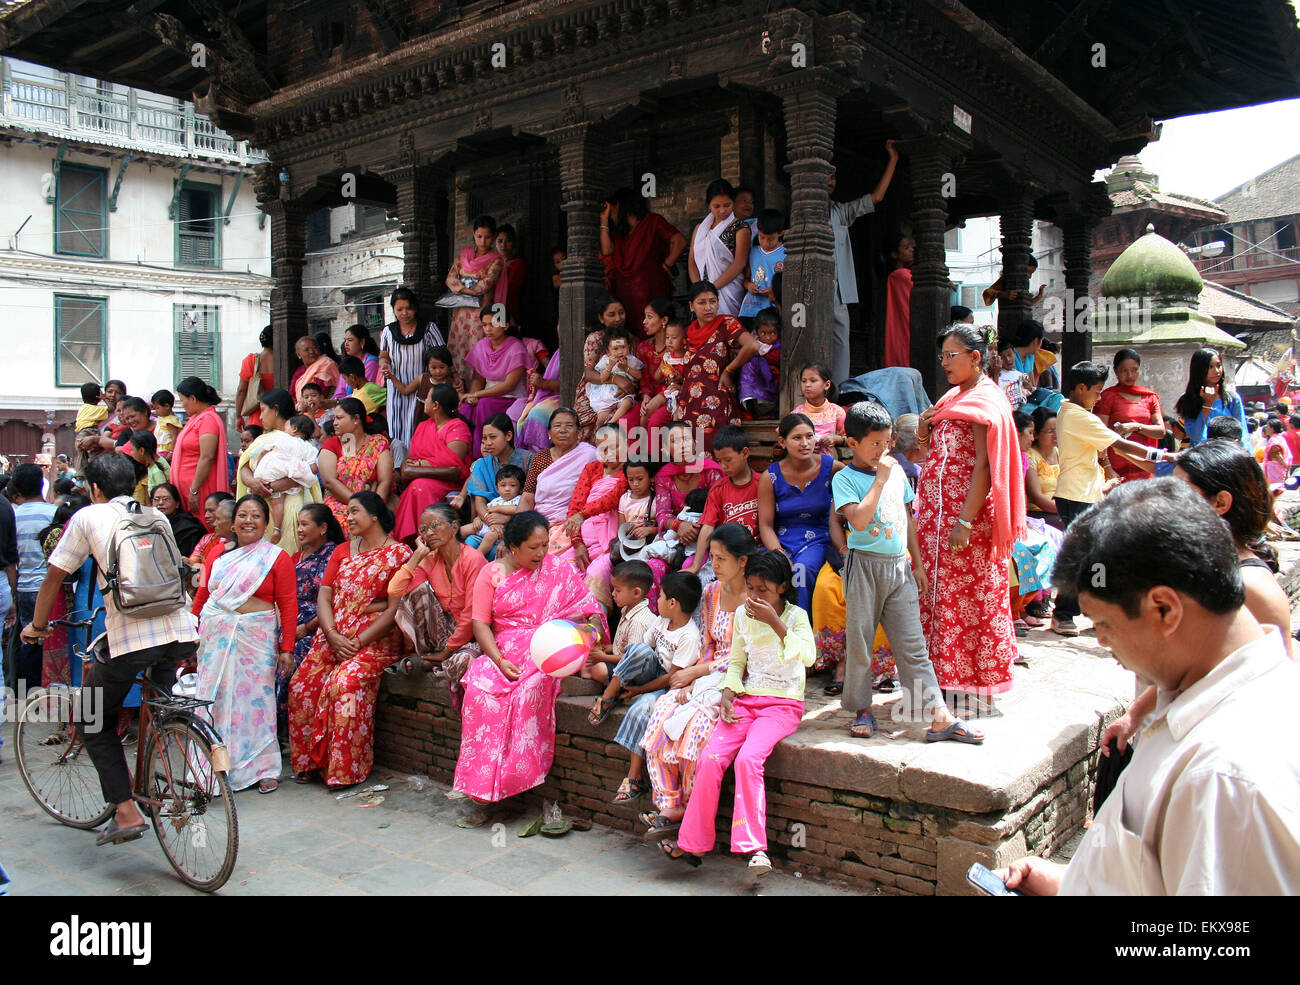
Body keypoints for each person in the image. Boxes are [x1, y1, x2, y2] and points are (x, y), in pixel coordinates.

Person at [999, 479, 1300, 896]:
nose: (1102, 642)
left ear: (1164, 608)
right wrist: (1073, 885)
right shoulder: (1212, 705)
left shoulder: (1225, 780)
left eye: (1104, 625)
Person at [21, 453, 198, 846]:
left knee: (92, 718)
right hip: (182, 630)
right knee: (157, 700)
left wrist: (35, 626)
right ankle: (162, 762)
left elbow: (55, 575)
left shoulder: (88, 517)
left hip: (133, 636)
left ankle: (125, 810)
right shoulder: (157, 516)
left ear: (94, 489)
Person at [834, 401, 984, 741]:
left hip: (898, 567)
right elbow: (857, 520)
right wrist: (879, 479)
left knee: (913, 643)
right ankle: (862, 708)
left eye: (886, 442)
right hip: (864, 567)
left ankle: (939, 714)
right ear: (852, 443)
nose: (882, 450)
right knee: (860, 642)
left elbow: (908, 519)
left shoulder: (897, 471)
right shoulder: (844, 478)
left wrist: (916, 563)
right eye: (874, 443)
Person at [667, 550, 814, 870]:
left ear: (782, 588)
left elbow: (807, 657)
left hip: (782, 703)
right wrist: (728, 694)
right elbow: (737, 664)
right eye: (751, 588)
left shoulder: (795, 617)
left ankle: (755, 848)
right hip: (745, 701)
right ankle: (693, 844)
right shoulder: (744, 616)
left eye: (764, 590)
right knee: (711, 758)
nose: (755, 596)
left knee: (748, 760)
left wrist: (775, 623)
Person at [451, 511, 607, 812]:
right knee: (480, 694)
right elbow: (481, 624)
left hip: (548, 650)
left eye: (545, 545)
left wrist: (589, 635)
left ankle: (514, 784)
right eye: (533, 547)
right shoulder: (492, 574)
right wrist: (497, 660)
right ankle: (481, 787)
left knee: (529, 691)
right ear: (513, 547)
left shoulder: (559, 569)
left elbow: (589, 609)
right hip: (503, 651)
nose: (541, 553)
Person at [914, 324, 1025, 699]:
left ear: (975, 358)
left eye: (951, 355)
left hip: (966, 518)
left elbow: (984, 465)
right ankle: (943, 679)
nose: (944, 363)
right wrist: (925, 427)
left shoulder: (984, 399)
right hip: (934, 518)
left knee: (970, 598)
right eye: (942, 356)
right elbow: (929, 447)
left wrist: (964, 521)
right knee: (939, 596)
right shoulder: (951, 398)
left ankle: (974, 684)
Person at [640, 523, 756, 838]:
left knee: (698, 728)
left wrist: (697, 673)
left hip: (738, 682)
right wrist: (693, 678)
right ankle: (669, 801)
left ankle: (691, 807)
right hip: (705, 675)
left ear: (742, 561)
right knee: (663, 710)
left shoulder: (756, 599)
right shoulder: (711, 592)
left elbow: (747, 656)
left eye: (720, 558)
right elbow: (706, 642)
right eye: (713, 557)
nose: (713, 564)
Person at [289, 491, 410, 787]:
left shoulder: (400, 554)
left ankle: (344, 769)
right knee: (301, 684)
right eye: (348, 512)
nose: (349, 518)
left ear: (374, 516)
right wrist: (331, 634)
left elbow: (396, 608)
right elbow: (325, 596)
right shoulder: (343, 550)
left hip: (374, 640)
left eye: (355, 511)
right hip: (333, 636)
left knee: (344, 684)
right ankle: (309, 762)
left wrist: (357, 641)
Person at [1051, 361, 1173, 637]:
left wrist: (1155, 463)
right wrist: (1163, 457)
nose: (1099, 397)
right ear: (1081, 389)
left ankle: (1092, 610)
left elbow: (1114, 448)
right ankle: (1066, 612)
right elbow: (1122, 444)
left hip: (1084, 492)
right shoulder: (1078, 416)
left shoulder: (1075, 414)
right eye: (1096, 391)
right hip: (1076, 494)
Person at [192, 495, 295, 793]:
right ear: (233, 521)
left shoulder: (277, 557)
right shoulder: (217, 555)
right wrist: (190, 632)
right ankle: (214, 762)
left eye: (256, 516)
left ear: (266, 522)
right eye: (242, 515)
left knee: (257, 702)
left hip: (256, 637)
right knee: (217, 700)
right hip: (216, 634)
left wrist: (286, 648)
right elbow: (203, 596)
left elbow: (288, 606)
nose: (248, 521)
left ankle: (262, 767)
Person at [592, 568, 703, 808]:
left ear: (673, 603)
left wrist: (639, 692)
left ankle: (634, 777)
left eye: (660, 597)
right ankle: (609, 697)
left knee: (642, 710)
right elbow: (639, 651)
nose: (657, 601)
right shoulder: (662, 621)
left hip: (665, 685)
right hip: (648, 671)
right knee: (640, 650)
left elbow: (671, 679)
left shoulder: (690, 637)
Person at [388, 502, 487, 705]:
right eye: (424, 529)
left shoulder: (472, 559)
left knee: (465, 661)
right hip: (442, 634)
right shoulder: (429, 560)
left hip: (471, 634)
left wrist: (448, 650)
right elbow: (395, 591)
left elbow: (472, 613)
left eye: (435, 525)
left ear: (454, 527)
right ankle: (433, 658)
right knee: (415, 592)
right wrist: (416, 556)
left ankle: (432, 662)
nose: (429, 532)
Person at [758, 413, 846, 618]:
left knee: (801, 572)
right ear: (783, 441)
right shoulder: (770, 477)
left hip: (818, 539)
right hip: (781, 541)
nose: (805, 443)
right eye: (797, 438)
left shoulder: (831, 468)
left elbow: (855, 485)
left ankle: (801, 636)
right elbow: (766, 525)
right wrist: (780, 555)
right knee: (764, 574)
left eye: (809, 436)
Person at [829, 142, 899, 379]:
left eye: (833, 176)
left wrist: (893, 159)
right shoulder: (801, 211)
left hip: (838, 288)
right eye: (825, 175)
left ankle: (838, 392)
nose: (830, 180)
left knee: (841, 340)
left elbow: (877, 197)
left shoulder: (839, 211)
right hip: (811, 288)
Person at [277, 503, 343, 727]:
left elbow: (333, 601)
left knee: (293, 658)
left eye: (305, 524)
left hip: (315, 628)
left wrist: (305, 628)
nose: (299, 530)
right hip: (287, 624)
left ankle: (291, 728)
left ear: (323, 528)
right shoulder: (297, 556)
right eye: (298, 524)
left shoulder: (334, 555)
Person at [237, 389, 324, 558]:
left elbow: (303, 475)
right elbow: (244, 466)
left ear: (275, 410)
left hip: (290, 507)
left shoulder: (295, 442)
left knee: (286, 557)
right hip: (263, 505)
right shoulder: (265, 439)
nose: (260, 417)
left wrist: (268, 486)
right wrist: (252, 482)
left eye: (263, 410)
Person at [673, 281, 760, 445]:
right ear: (691, 306)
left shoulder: (726, 323)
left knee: (715, 454)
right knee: (690, 457)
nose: (708, 307)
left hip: (715, 403)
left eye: (713, 301)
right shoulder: (688, 333)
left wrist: (728, 370)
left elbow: (753, 345)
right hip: (688, 404)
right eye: (702, 302)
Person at [599, 188, 687, 331]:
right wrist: (603, 220)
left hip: (651, 290)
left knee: (653, 328)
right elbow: (607, 250)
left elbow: (680, 241)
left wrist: (667, 264)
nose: (611, 214)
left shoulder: (652, 221)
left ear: (622, 206)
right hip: (626, 294)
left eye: (613, 208)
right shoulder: (622, 233)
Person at [391, 384, 470, 542]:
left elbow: (453, 464)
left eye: (427, 398)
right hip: (422, 478)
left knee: (420, 486)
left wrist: (420, 465)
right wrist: (420, 464)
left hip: (449, 482)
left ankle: (430, 537)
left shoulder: (457, 427)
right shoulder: (423, 426)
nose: (424, 401)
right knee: (419, 484)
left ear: (436, 405)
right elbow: (411, 459)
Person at [560, 425, 627, 601]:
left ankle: (595, 623)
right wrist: (577, 543)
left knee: (595, 573)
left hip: (608, 544)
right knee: (562, 569)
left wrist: (582, 515)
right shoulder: (592, 469)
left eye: (615, 446)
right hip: (583, 542)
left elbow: (613, 498)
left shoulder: (630, 470)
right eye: (604, 448)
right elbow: (575, 505)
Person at [379, 287, 446, 459]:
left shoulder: (428, 329)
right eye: (399, 309)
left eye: (408, 308)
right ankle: (397, 468)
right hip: (395, 390)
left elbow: (441, 355)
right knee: (395, 428)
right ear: (393, 310)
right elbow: (384, 355)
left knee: (416, 426)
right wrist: (385, 364)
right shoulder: (388, 331)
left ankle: (414, 465)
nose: (404, 313)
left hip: (422, 391)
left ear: (415, 308)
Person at [452, 413, 533, 555]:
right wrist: (493, 523)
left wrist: (507, 520)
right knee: (469, 544)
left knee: (497, 552)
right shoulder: (481, 465)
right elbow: (480, 503)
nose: (488, 443)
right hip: (488, 523)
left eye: (493, 437)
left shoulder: (528, 460)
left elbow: (531, 501)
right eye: (484, 438)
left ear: (508, 436)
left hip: (520, 522)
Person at [518, 407, 600, 540]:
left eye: (569, 426)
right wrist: (518, 526)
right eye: (557, 426)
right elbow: (527, 498)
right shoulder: (540, 458)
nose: (563, 430)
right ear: (549, 433)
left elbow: (597, 495)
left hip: (572, 523)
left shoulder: (590, 455)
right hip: (539, 522)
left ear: (579, 432)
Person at [9, 464, 57, 689]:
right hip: (51, 587)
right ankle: (51, 690)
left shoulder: (14, 515)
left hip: (24, 587)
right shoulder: (54, 513)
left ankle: (29, 692)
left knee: (28, 640)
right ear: (41, 485)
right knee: (53, 639)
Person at [318, 397, 393, 534]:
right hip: (338, 503)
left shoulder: (378, 443)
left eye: (339, 418)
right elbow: (329, 481)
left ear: (356, 418)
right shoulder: (331, 444)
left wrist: (375, 508)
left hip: (372, 504)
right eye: (334, 419)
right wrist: (357, 506)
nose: (334, 423)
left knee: (380, 526)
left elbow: (385, 481)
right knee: (342, 523)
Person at [460, 308, 531, 451]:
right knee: (466, 408)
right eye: (484, 325)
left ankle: (484, 453)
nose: (487, 329)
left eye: (492, 324)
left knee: (484, 404)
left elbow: (509, 386)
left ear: (505, 325)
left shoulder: (516, 347)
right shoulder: (481, 346)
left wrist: (476, 395)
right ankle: (466, 455)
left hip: (512, 397)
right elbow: (478, 380)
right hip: (486, 396)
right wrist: (471, 397)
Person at [445, 217, 507, 372]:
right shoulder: (463, 256)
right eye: (479, 236)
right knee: (458, 346)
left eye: (487, 237)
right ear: (473, 235)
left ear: (493, 238)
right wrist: (467, 290)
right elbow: (450, 278)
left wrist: (463, 286)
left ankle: (475, 387)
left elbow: (485, 284)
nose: (483, 241)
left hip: (480, 312)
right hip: (460, 312)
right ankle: (458, 386)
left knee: (476, 345)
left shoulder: (496, 260)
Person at [1094, 348, 1164, 482]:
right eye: (1124, 370)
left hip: (1145, 467)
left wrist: (1136, 427)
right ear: (1115, 371)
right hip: (1116, 469)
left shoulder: (1150, 397)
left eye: (1134, 370)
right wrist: (1107, 467)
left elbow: (1161, 431)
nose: (1130, 375)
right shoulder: (1107, 397)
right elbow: (1099, 435)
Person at [248, 414, 318, 544]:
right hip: (289, 474)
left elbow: (264, 451)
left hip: (268, 470)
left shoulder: (281, 437)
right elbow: (314, 468)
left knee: (258, 499)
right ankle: (277, 529)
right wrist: (300, 467)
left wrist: (258, 469)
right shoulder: (309, 447)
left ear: (294, 428)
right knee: (278, 502)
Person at [688, 179, 751, 317]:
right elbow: (692, 262)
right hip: (702, 293)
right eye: (716, 206)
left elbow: (739, 263)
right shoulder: (700, 229)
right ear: (709, 205)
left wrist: (712, 289)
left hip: (729, 291)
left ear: (733, 203)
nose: (722, 210)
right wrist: (700, 290)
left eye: (727, 205)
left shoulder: (740, 228)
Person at [573, 296, 634, 439]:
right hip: (595, 389)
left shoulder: (631, 339)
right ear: (601, 318)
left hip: (622, 393)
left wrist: (629, 385)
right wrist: (615, 379)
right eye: (611, 315)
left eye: (621, 313)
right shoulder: (595, 338)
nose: (618, 318)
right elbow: (589, 373)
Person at [653, 421, 723, 544]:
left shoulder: (710, 471)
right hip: (675, 535)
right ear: (665, 449)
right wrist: (679, 526)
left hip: (711, 532)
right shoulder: (663, 477)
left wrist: (697, 530)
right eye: (675, 441)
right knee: (654, 562)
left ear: (695, 444)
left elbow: (720, 506)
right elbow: (662, 513)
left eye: (686, 439)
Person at [171, 376, 229, 522]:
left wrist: (194, 489)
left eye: (182, 399)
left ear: (192, 398)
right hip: (190, 489)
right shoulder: (196, 418)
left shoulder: (208, 419)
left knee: (202, 525)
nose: (182, 404)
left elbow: (207, 456)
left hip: (200, 488)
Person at [1173, 346, 1248, 448]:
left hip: (1228, 455)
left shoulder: (1231, 399)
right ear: (1199, 370)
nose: (1217, 371)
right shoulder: (1189, 399)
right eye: (1210, 367)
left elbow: (1242, 433)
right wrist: (1207, 405)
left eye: (1219, 365)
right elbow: (1196, 435)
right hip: (1201, 457)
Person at [584, 327, 643, 428]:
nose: (620, 352)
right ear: (608, 350)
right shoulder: (606, 360)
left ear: (629, 346)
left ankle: (611, 423)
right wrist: (610, 366)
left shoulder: (632, 360)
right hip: (607, 393)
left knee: (627, 403)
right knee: (601, 417)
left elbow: (639, 376)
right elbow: (602, 378)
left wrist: (627, 368)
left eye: (623, 347)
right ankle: (598, 434)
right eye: (615, 349)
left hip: (624, 394)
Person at [641, 315, 692, 427]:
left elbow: (691, 380)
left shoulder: (687, 358)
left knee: (676, 420)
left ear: (684, 341)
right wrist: (663, 367)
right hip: (666, 390)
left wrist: (680, 378)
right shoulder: (667, 357)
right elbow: (657, 378)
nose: (669, 341)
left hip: (680, 393)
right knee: (646, 411)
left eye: (674, 338)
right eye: (667, 337)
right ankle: (643, 437)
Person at [463, 464, 524, 557]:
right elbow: (486, 512)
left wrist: (498, 508)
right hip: (488, 525)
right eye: (503, 485)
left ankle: (477, 556)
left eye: (512, 485)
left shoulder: (519, 499)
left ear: (521, 489)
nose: (507, 489)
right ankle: (454, 552)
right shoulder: (496, 500)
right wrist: (477, 519)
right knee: (465, 529)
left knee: (490, 536)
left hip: (502, 530)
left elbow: (517, 509)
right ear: (497, 488)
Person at [188, 496, 236, 612]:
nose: (215, 523)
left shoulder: (253, 553)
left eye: (218, 519)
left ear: (233, 524)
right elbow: (203, 587)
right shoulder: (215, 549)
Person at [739, 208, 786, 319]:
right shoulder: (753, 252)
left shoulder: (786, 254)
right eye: (762, 237)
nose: (765, 243)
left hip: (773, 308)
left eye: (770, 239)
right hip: (750, 308)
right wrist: (749, 286)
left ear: (780, 233)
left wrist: (775, 289)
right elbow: (746, 278)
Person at [793, 363, 846, 454]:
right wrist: (805, 447)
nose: (807, 385)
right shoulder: (797, 414)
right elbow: (785, 439)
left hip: (829, 464)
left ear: (827, 385)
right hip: (803, 464)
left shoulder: (837, 412)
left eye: (813, 381)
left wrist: (835, 439)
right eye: (804, 381)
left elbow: (850, 438)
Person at [517, 347, 563, 451]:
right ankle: (524, 456)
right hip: (546, 395)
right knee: (514, 411)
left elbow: (571, 383)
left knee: (537, 414)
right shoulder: (559, 351)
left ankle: (540, 455)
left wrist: (544, 383)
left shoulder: (577, 349)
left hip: (564, 397)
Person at [738, 308, 781, 417]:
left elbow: (775, 358)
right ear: (757, 332)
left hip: (771, 380)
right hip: (754, 378)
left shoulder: (778, 346)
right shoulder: (753, 343)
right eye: (763, 333)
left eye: (773, 333)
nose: (768, 337)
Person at [883, 233, 915, 369]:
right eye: (907, 247)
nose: (912, 250)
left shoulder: (898, 275)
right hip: (906, 324)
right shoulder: (901, 275)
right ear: (895, 254)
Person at [150, 482, 204, 558]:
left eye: (165, 499)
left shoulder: (187, 528)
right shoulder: (149, 523)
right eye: (156, 499)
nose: (160, 503)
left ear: (177, 504)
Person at [236, 326, 275, 430]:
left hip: (257, 415)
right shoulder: (284, 361)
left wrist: (238, 416)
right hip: (278, 415)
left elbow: (241, 390)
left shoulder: (250, 361)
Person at [290, 334, 341, 411]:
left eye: (314, 348)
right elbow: (292, 393)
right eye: (306, 349)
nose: (312, 352)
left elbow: (319, 392)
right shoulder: (300, 371)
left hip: (322, 410)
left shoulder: (326, 364)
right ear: (299, 355)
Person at [333, 324, 382, 400]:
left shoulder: (372, 363)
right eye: (345, 340)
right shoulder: (347, 363)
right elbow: (339, 392)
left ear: (362, 342)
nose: (346, 344)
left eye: (350, 340)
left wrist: (337, 402)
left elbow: (365, 391)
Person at [495, 223, 527, 322]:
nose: (503, 245)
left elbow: (511, 287)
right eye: (500, 241)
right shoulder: (492, 264)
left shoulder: (518, 264)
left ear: (514, 243)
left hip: (509, 311)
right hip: (492, 312)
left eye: (508, 241)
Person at [150, 390, 183, 459]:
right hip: (159, 450)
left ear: (167, 406)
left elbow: (174, 437)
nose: (156, 410)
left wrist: (171, 452)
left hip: (166, 451)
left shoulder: (170, 421)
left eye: (157, 408)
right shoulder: (163, 417)